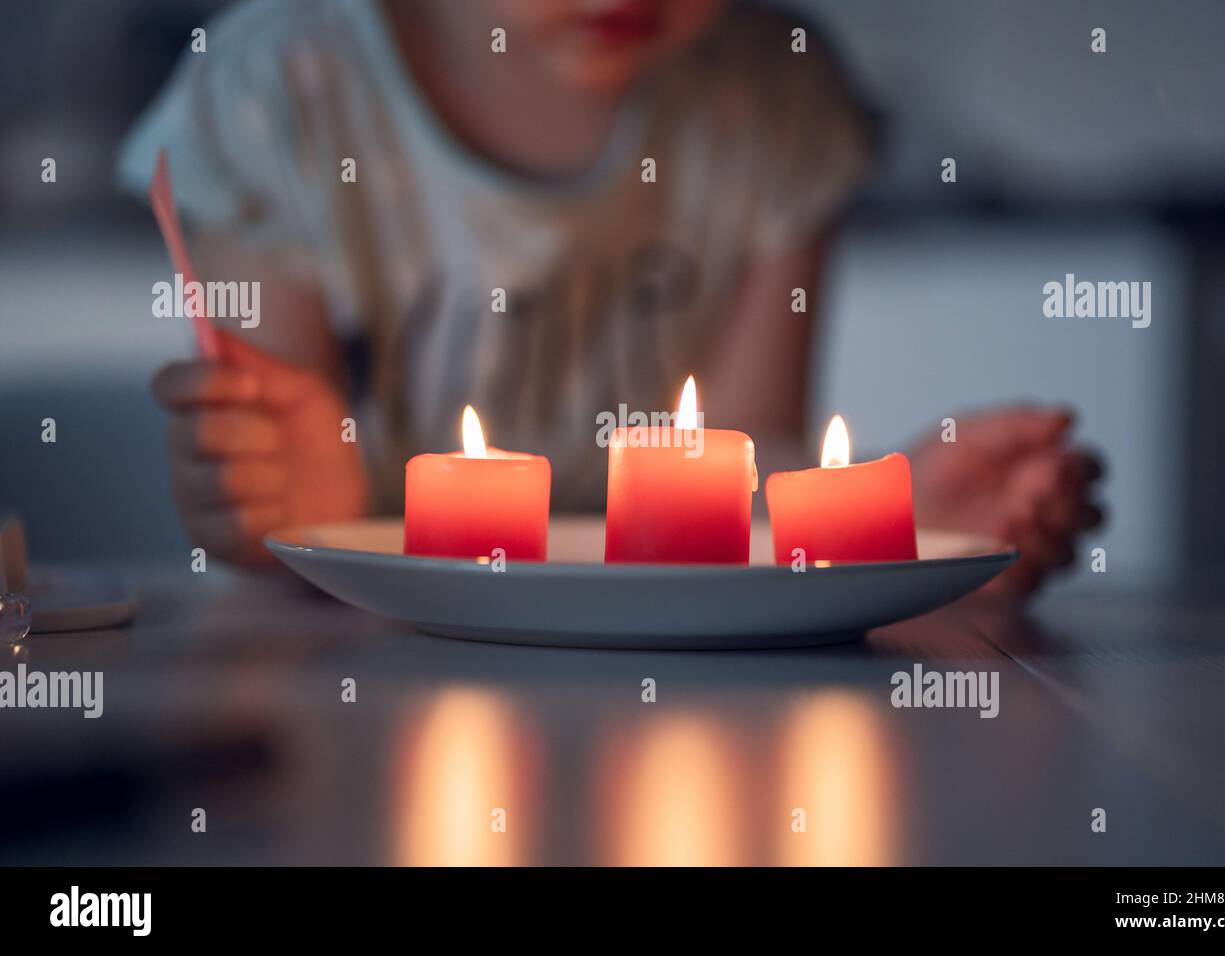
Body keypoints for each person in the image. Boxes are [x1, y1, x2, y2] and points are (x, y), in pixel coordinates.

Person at [120, 0, 1102, 595]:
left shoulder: (772, 102)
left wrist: (895, 516)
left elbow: (750, 455)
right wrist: (279, 502)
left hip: (686, 692)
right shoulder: (275, 92)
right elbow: (282, 503)